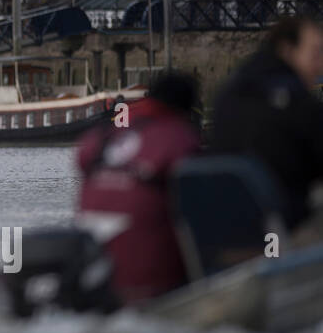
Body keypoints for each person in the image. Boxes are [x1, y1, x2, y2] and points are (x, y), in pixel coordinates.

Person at [75, 72, 201, 305]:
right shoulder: (180, 139)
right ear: (186, 109)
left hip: (92, 274)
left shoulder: (100, 137)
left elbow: (82, 158)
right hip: (153, 282)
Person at [211, 17, 323, 232]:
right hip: (280, 228)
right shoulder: (295, 99)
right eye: (315, 53)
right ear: (288, 50)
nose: (320, 64)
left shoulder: (228, 92)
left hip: (226, 227)